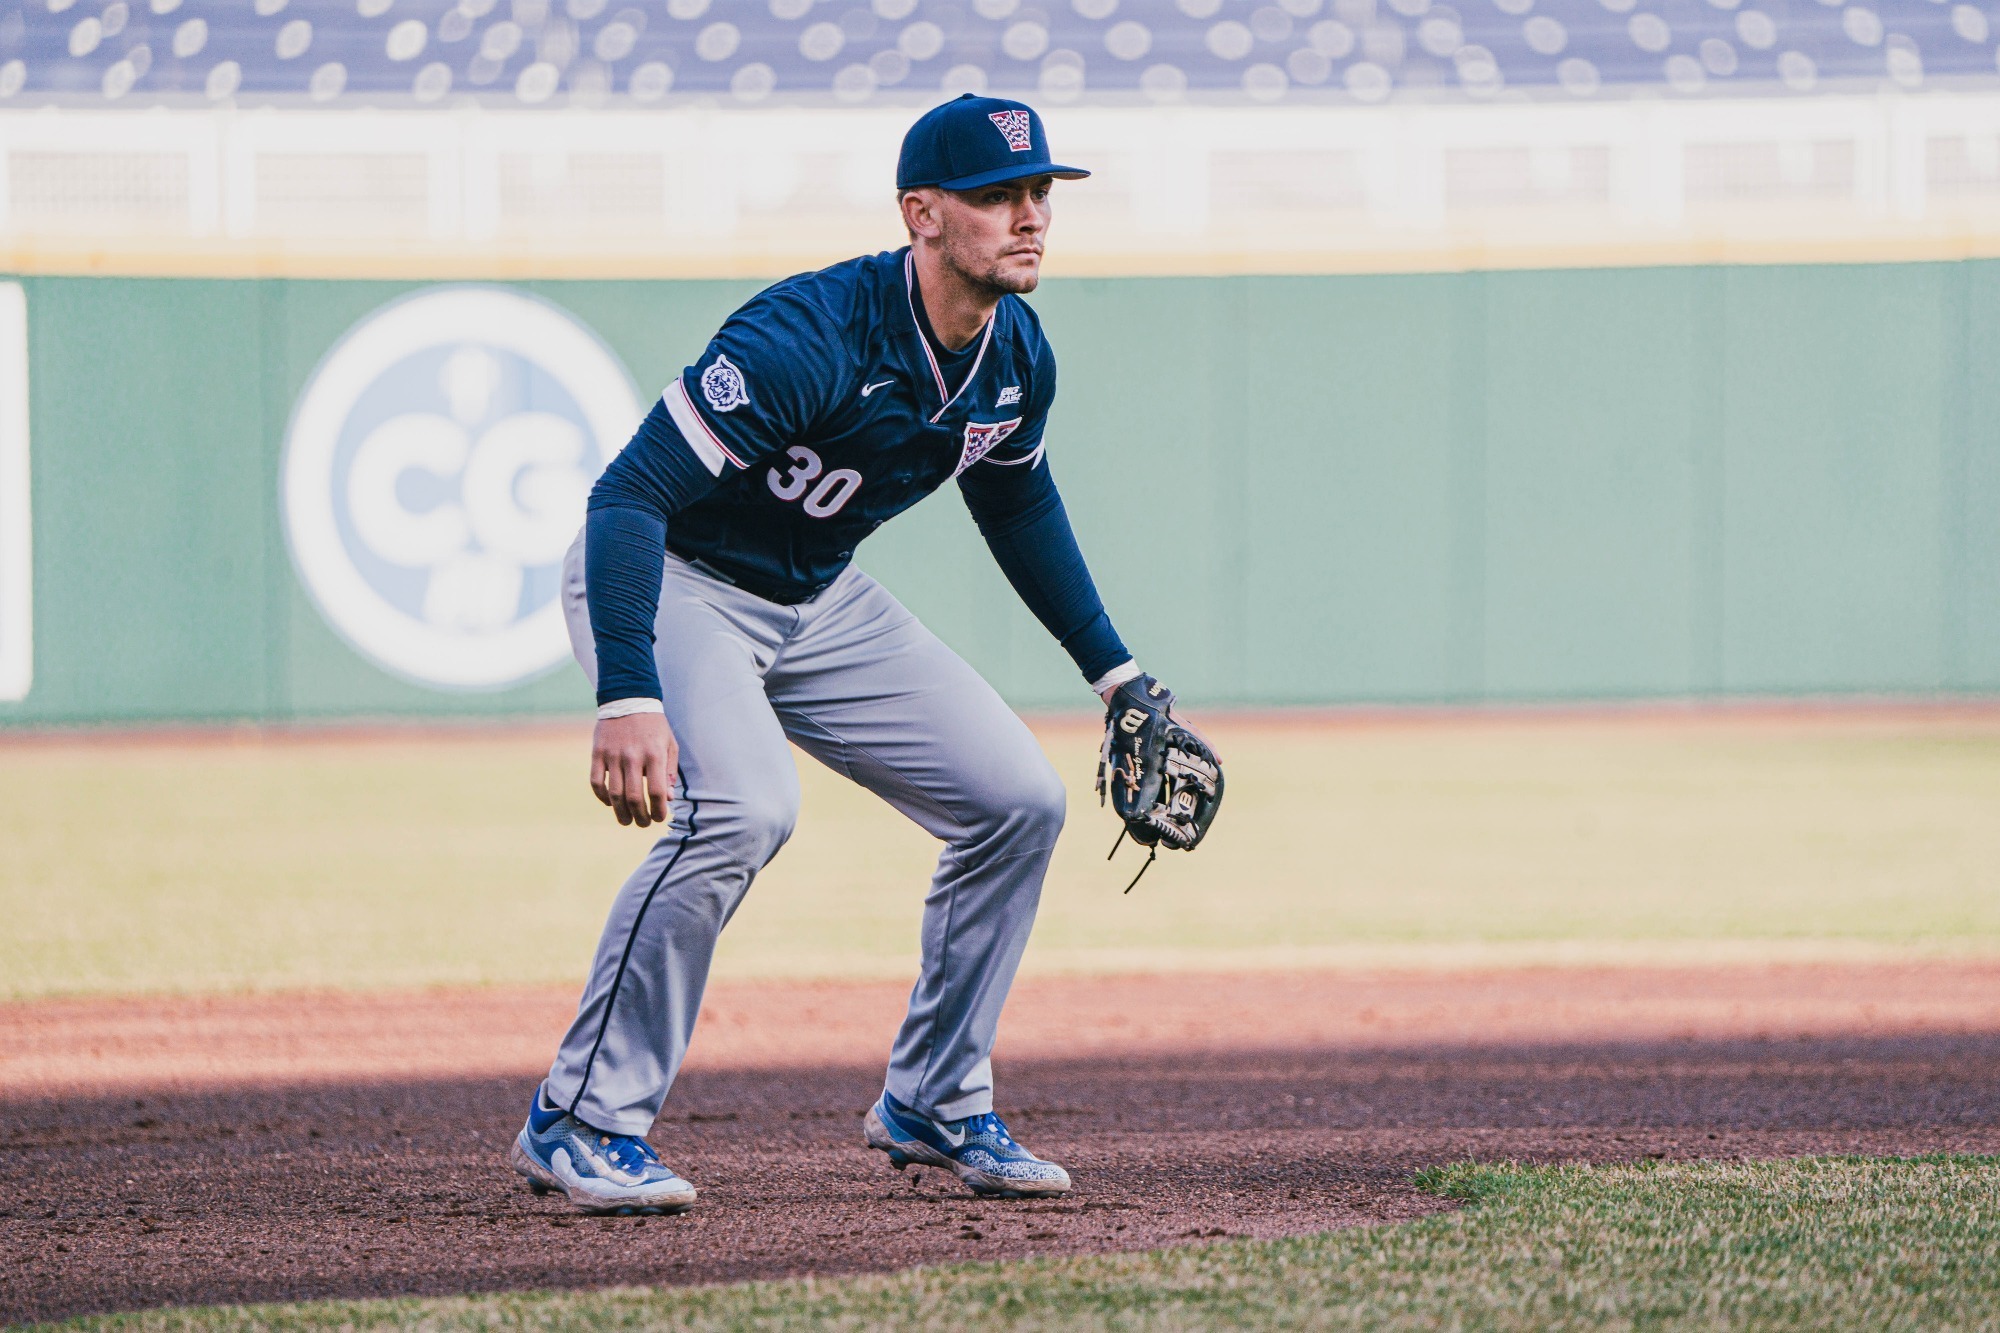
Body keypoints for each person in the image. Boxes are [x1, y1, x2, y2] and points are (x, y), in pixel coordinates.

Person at [509, 94, 1178, 1214]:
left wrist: (1113, 674)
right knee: (742, 807)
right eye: (996, 196)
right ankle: (581, 1118)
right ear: (921, 213)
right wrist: (627, 685)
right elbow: (627, 495)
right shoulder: (809, 335)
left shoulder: (1014, 353)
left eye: (1038, 194)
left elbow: (1017, 508)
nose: (1028, 218)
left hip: (814, 596)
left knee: (1018, 798)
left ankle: (934, 1098)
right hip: (677, 575)